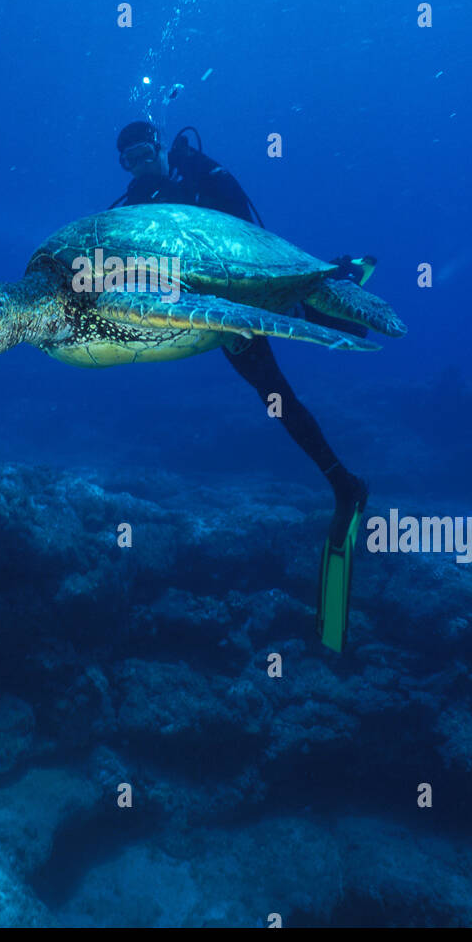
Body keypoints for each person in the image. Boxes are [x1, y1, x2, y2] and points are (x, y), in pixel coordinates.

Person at [112, 120, 372, 651]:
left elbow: (252, 239)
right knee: (271, 395)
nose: (138, 165)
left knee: (319, 324)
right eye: (128, 160)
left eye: (143, 153)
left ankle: (335, 278)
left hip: (244, 290)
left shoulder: (208, 174)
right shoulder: (136, 199)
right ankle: (344, 482)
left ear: (161, 146)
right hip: (202, 310)